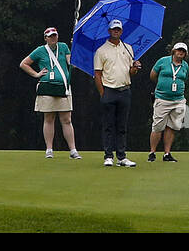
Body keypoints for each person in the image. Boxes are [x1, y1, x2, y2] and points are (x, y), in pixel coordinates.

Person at [19, 27, 81, 160]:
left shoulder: (63, 47)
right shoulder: (40, 50)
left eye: (55, 35)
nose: (53, 38)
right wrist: (36, 74)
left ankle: (73, 150)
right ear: (46, 38)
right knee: (49, 118)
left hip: (63, 87)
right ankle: (49, 149)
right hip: (47, 88)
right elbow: (24, 64)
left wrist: (75, 48)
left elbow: (72, 64)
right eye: (50, 36)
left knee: (66, 119)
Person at [93, 18, 142, 167]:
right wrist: (102, 93)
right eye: (113, 29)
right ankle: (108, 156)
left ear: (121, 31)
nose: (116, 31)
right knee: (108, 125)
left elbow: (131, 72)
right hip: (109, 91)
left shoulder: (128, 48)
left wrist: (135, 67)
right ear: (109, 31)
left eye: (118, 29)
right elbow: (97, 74)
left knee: (122, 126)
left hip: (125, 90)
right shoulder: (101, 51)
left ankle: (121, 157)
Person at [147, 41, 189, 163]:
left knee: (172, 126)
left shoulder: (185, 65)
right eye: (179, 50)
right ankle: (152, 152)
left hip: (178, 100)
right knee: (157, 126)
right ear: (173, 51)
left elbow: (184, 78)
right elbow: (153, 75)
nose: (180, 52)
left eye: (183, 51)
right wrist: (162, 86)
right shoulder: (163, 61)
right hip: (162, 98)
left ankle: (167, 153)